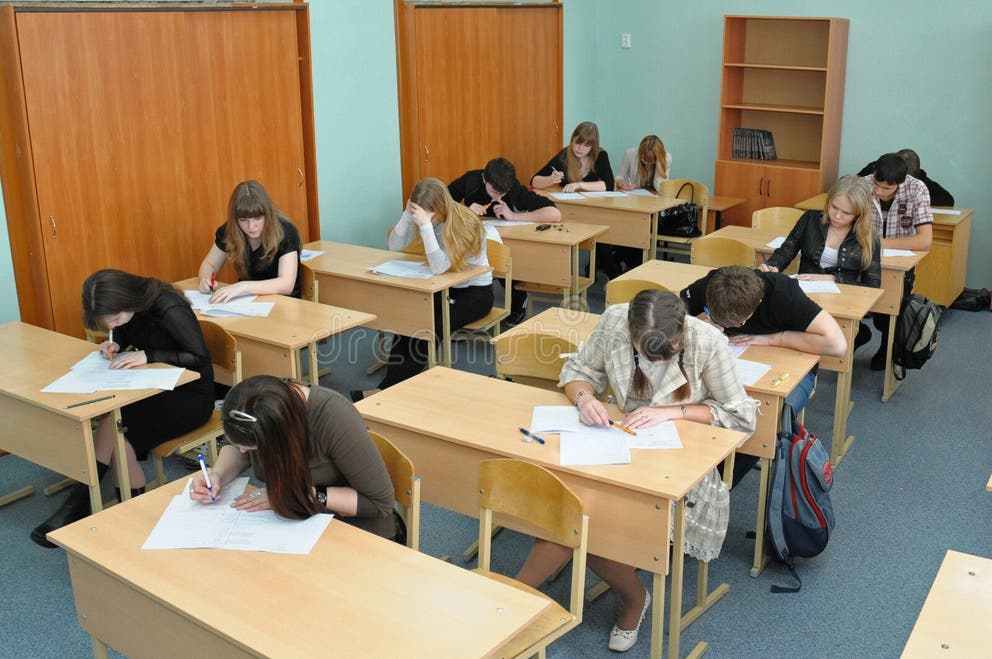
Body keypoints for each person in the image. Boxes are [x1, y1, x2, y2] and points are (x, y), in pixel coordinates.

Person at [515, 290, 755, 653]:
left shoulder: (707, 342)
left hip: (679, 466)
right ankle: (516, 607)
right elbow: (578, 372)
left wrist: (675, 412)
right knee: (567, 512)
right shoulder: (614, 320)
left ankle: (628, 599)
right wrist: (586, 399)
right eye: (640, 349)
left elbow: (741, 416)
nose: (648, 359)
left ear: (680, 335)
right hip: (616, 447)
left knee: (585, 523)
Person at [31, 270, 214, 548]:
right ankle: (130, 510)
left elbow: (200, 359)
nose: (113, 324)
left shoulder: (168, 307)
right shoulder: (130, 307)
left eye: (115, 320)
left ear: (127, 300)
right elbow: (128, 334)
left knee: (114, 424)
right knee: (119, 433)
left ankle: (81, 504)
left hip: (189, 395)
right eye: (108, 324)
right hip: (152, 386)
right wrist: (114, 344)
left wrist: (148, 355)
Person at [680, 265, 847, 484]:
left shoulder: (783, 293)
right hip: (730, 365)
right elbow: (676, 314)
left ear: (756, 306)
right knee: (685, 399)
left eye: (736, 324)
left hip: (791, 373)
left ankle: (717, 487)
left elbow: (837, 344)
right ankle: (690, 471)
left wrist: (774, 339)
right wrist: (704, 324)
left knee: (761, 422)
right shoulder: (714, 284)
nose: (728, 327)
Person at [190, 376, 398, 539]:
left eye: (251, 448)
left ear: (280, 435)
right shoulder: (253, 403)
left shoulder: (334, 418)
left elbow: (379, 503)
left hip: (354, 527)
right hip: (293, 524)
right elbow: (237, 445)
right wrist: (217, 475)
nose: (243, 453)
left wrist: (292, 496)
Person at [354, 177, 494, 398]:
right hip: (441, 288)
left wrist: (427, 226)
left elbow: (439, 267)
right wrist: (407, 216)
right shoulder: (424, 217)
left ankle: (386, 392)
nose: (426, 221)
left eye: (431, 216)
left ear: (440, 208)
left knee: (428, 327)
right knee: (410, 321)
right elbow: (394, 247)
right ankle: (390, 387)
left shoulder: (466, 222)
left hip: (475, 292)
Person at [760, 175, 881, 352]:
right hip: (805, 294)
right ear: (828, 201)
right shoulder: (810, 219)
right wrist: (773, 265)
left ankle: (856, 332)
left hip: (841, 300)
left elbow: (872, 286)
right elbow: (787, 249)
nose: (837, 216)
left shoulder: (869, 238)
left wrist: (831, 278)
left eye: (846, 213)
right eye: (834, 207)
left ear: (859, 214)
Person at [449, 157, 561, 325]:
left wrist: (514, 216)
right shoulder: (470, 181)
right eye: (495, 192)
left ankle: (518, 304)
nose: (499, 196)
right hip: (472, 243)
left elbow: (554, 214)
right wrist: (464, 211)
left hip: (503, 242)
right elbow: (440, 205)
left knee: (508, 266)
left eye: (503, 193)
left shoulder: (513, 188)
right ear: (485, 180)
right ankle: (456, 307)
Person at [863, 153, 934, 369]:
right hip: (865, 257)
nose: (879, 192)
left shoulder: (917, 189)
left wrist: (880, 243)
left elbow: (924, 240)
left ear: (900, 183)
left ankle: (887, 349)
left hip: (899, 262)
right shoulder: (863, 185)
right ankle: (857, 336)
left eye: (887, 189)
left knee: (891, 311)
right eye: (877, 184)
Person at [198, 179, 302, 302]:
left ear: (267, 214)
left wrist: (243, 286)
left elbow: (286, 285)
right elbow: (210, 264)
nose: (251, 227)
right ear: (235, 219)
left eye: (257, 218)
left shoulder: (285, 231)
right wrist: (205, 279)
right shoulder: (228, 231)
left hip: (284, 303)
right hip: (248, 301)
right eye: (243, 220)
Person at [530, 121, 614, 193]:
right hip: (569, 203)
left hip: (594, 204)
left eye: (586, 145)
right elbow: (534, 181)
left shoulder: (600, 155)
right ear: (572, 140)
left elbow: (609, 185)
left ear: (593, 146)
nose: (580, 148)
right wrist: (550, 179)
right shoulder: (564, 154)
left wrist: (579, 185)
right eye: (577, 143)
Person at [858, 148, 954, 207]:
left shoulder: (918, 182)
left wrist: (914, 200)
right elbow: (851, 187)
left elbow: (947, 199)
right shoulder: (877, 169)